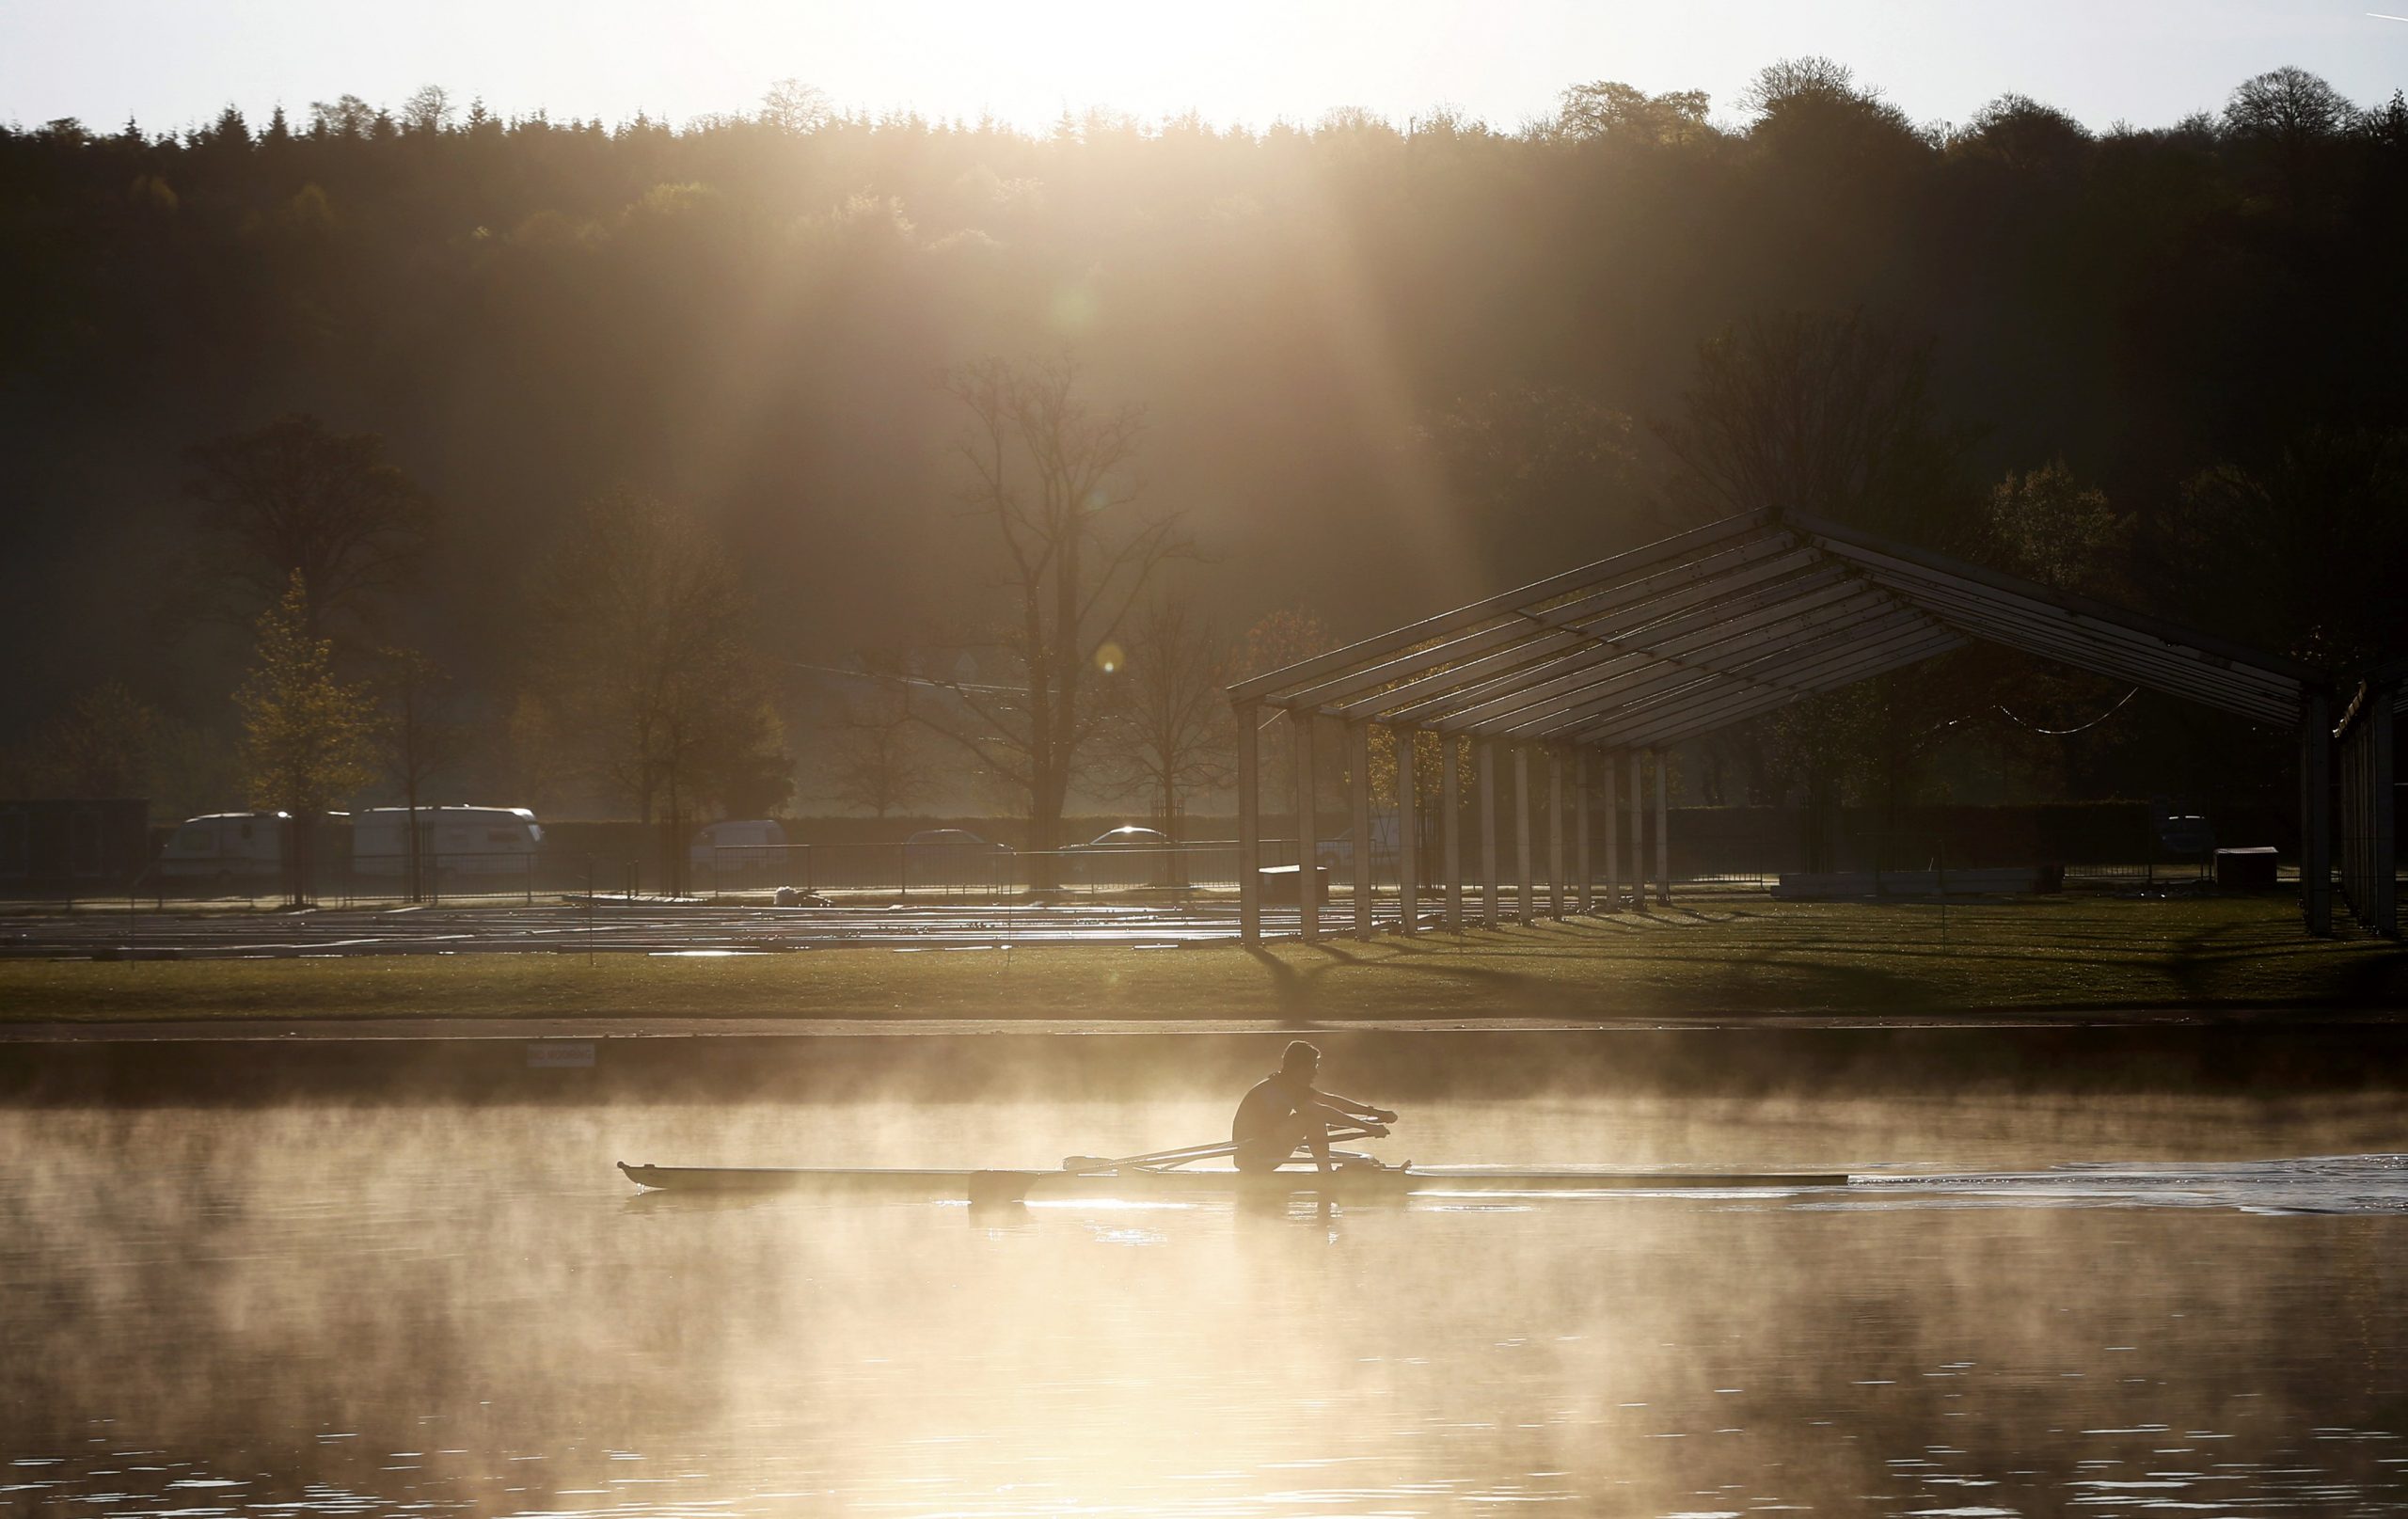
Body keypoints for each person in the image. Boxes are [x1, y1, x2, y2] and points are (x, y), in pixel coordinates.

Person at [1231, 1040, 1398, 1174]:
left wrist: (1374, 1112)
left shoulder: (1286, 1084)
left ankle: (1325, 1173)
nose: (1316, 1072)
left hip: (1262, 1151)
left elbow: (1330, 1101)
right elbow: (1322, 1111)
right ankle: (1325, 1175)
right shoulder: (1283, 1087)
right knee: (1313, 1117)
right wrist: (1368, 1127)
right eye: (1313, 1066)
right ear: (1299, 1068)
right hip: (1254, 1157)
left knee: (1314, 1115)